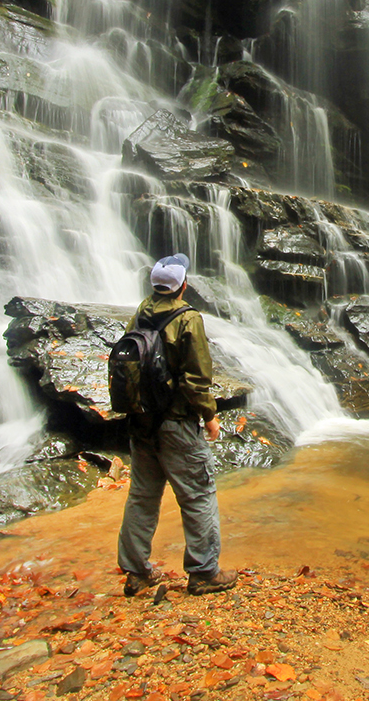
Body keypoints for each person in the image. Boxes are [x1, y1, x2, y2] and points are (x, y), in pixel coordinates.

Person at [117, 253, 238, 597]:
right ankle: (203, 573)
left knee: (141, 497)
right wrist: (210, 417)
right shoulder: (187, 319)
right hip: (176, 423)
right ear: (183, 286)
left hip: (141, 422)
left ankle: (136, 572)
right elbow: (196, 378)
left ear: (155, 285)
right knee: (198, 495)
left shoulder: (140, 311)